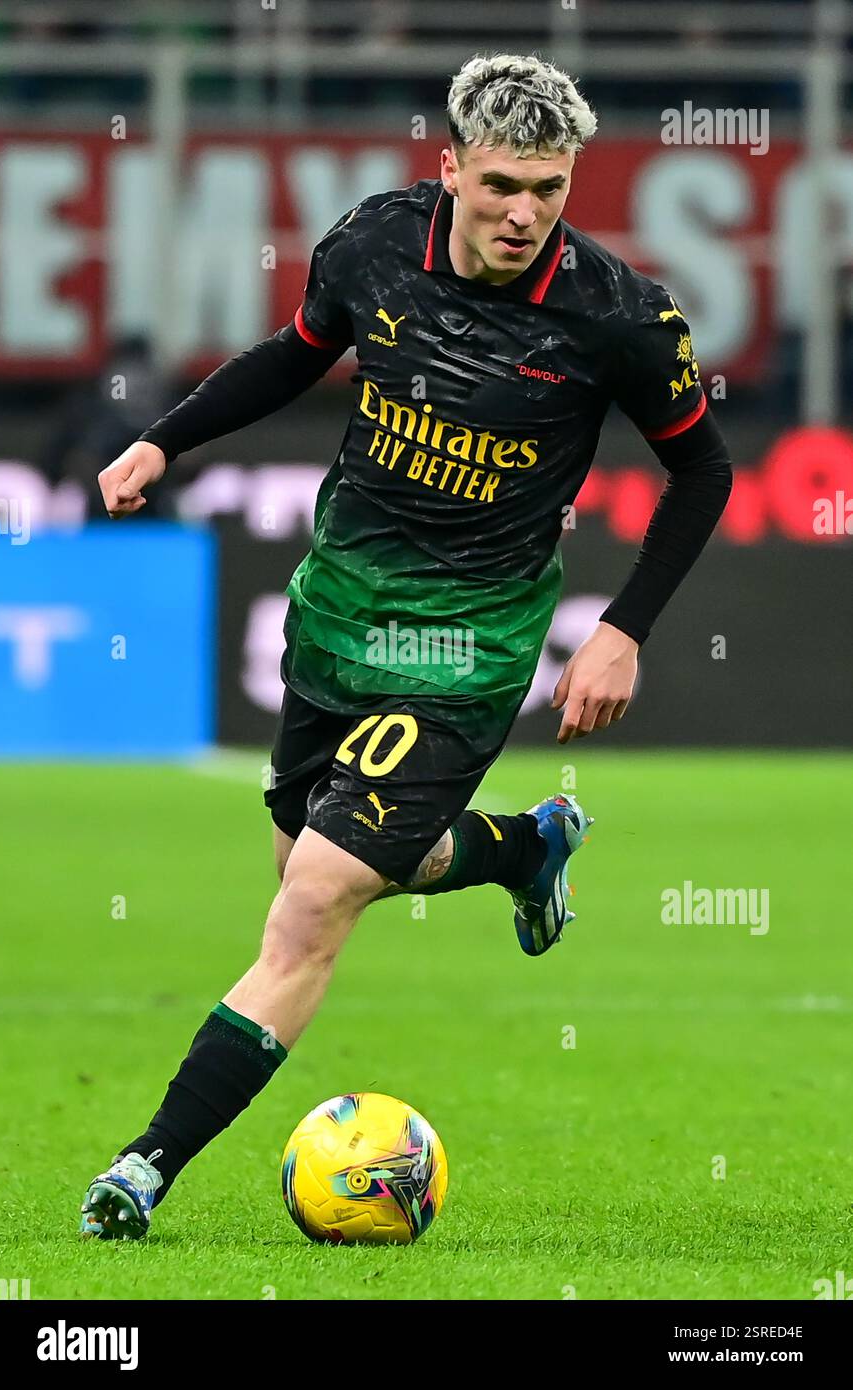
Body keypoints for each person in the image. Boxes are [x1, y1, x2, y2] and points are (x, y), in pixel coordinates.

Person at [81, 53, 731, 1239]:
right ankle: (518, 849)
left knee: (317, 895)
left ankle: (144, 1163)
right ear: (448, 170)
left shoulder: (617, 314)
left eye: (546, 187)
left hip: (470, 643)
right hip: (337, 610)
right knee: (305, 862)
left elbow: (702, 468)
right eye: (497, 185)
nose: (522, 212)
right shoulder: (375, 244)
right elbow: (293, 352)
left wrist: (620, 629)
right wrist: (163, 443)